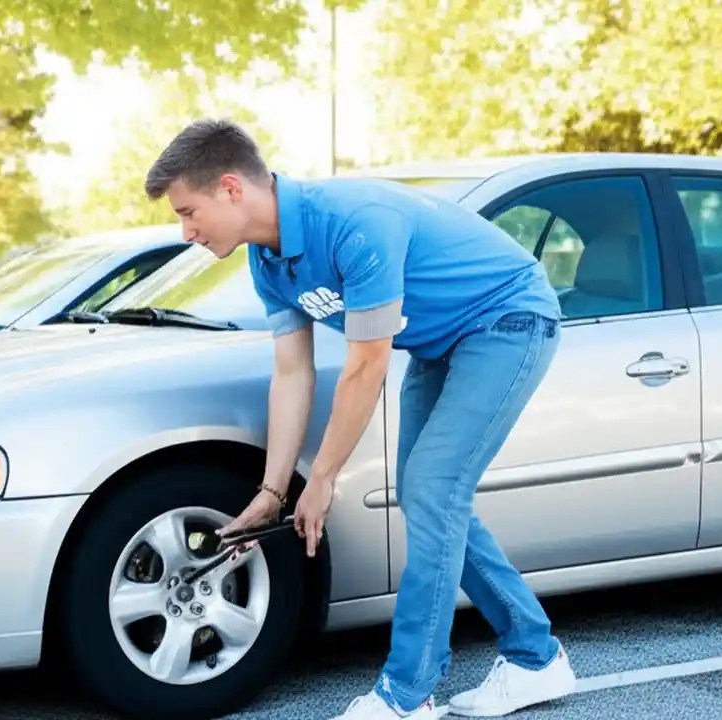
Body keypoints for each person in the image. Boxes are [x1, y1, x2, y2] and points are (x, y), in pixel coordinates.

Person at [144, 119, 576, 719]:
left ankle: (407, 694)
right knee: (431, 496)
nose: (186, 231)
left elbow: (366, 366)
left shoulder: (352, 220)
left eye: (188, 212)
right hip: (436, 343)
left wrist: (321, 479)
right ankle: (535, 658)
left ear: (230, 188)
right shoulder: (268, 264)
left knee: (431, 488)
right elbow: (292, 374)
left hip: (507, 320)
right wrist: (273, 492)